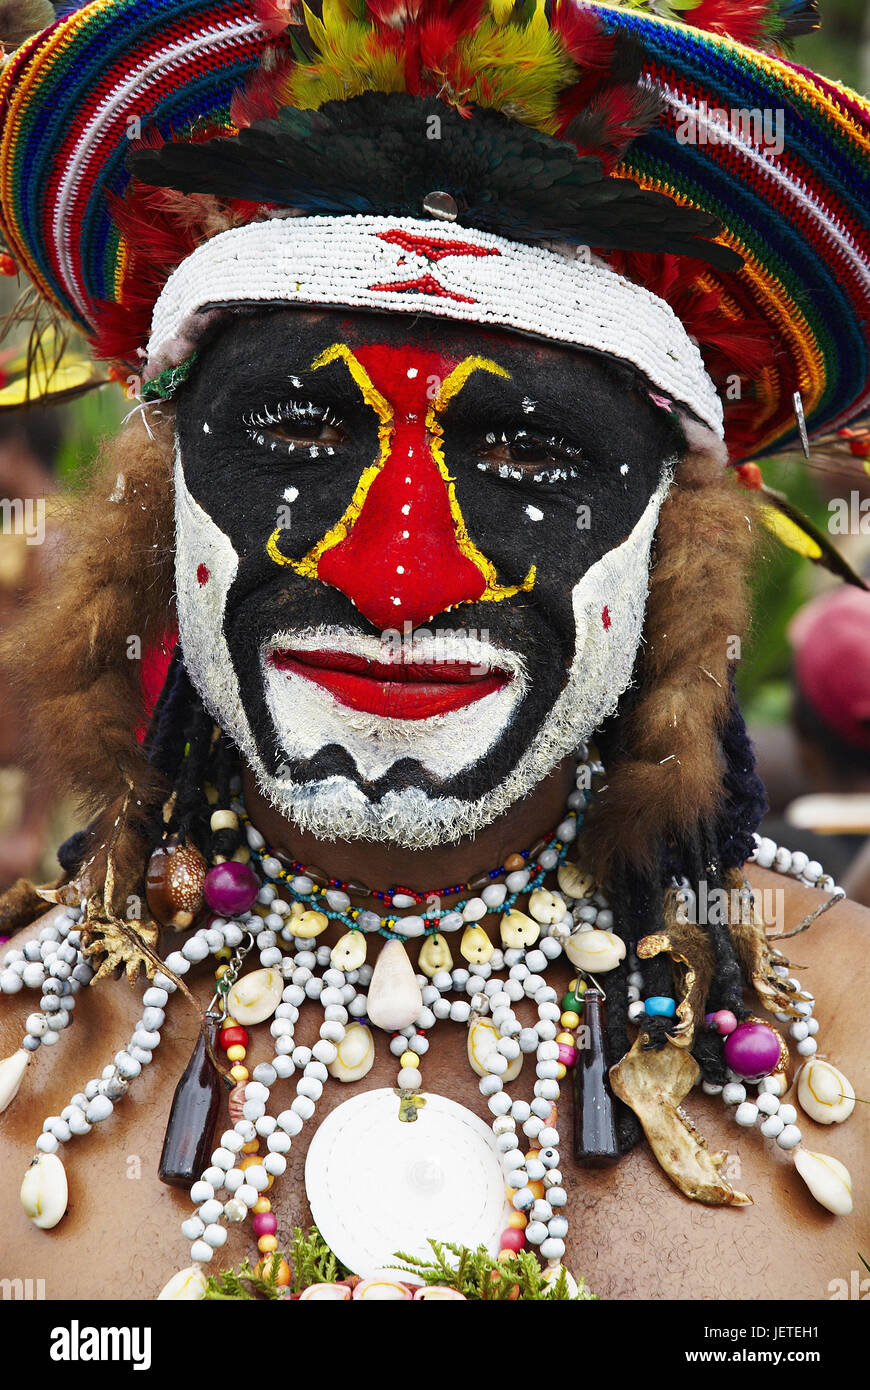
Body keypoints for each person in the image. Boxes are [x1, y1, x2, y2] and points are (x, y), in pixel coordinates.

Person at [0, 0, 867, 1303]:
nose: (395, 579)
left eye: (528, 453)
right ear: (162, 495)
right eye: (294, 429)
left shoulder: (840, 1017)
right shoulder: (25, 1043)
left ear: (668, 539)